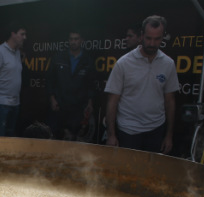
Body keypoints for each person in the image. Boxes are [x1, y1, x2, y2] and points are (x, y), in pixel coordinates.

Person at [104, 15, 179, 154]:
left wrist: (169, 136)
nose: (152, 43)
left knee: (150, 173)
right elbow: (112, 100)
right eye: (149, 38)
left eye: (157, 39)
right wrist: (111, 135)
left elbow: (170, 101)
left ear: (163, 37)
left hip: (156, 130)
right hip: (128, 131)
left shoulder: (168, 64)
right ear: (142, 36)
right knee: (128, 173)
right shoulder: (124, 63)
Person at [46, 30, 96, 141]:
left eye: (76, 39)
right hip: (60, 106)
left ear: (81, 40)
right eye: (71, 39)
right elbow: (50, 80)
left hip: (78, 107)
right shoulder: (59, 57)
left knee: (74, 139)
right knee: (56, 138)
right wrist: (52, 99)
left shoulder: (87, 60)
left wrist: (90, 103)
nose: (73, 42)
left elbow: (91, 84)